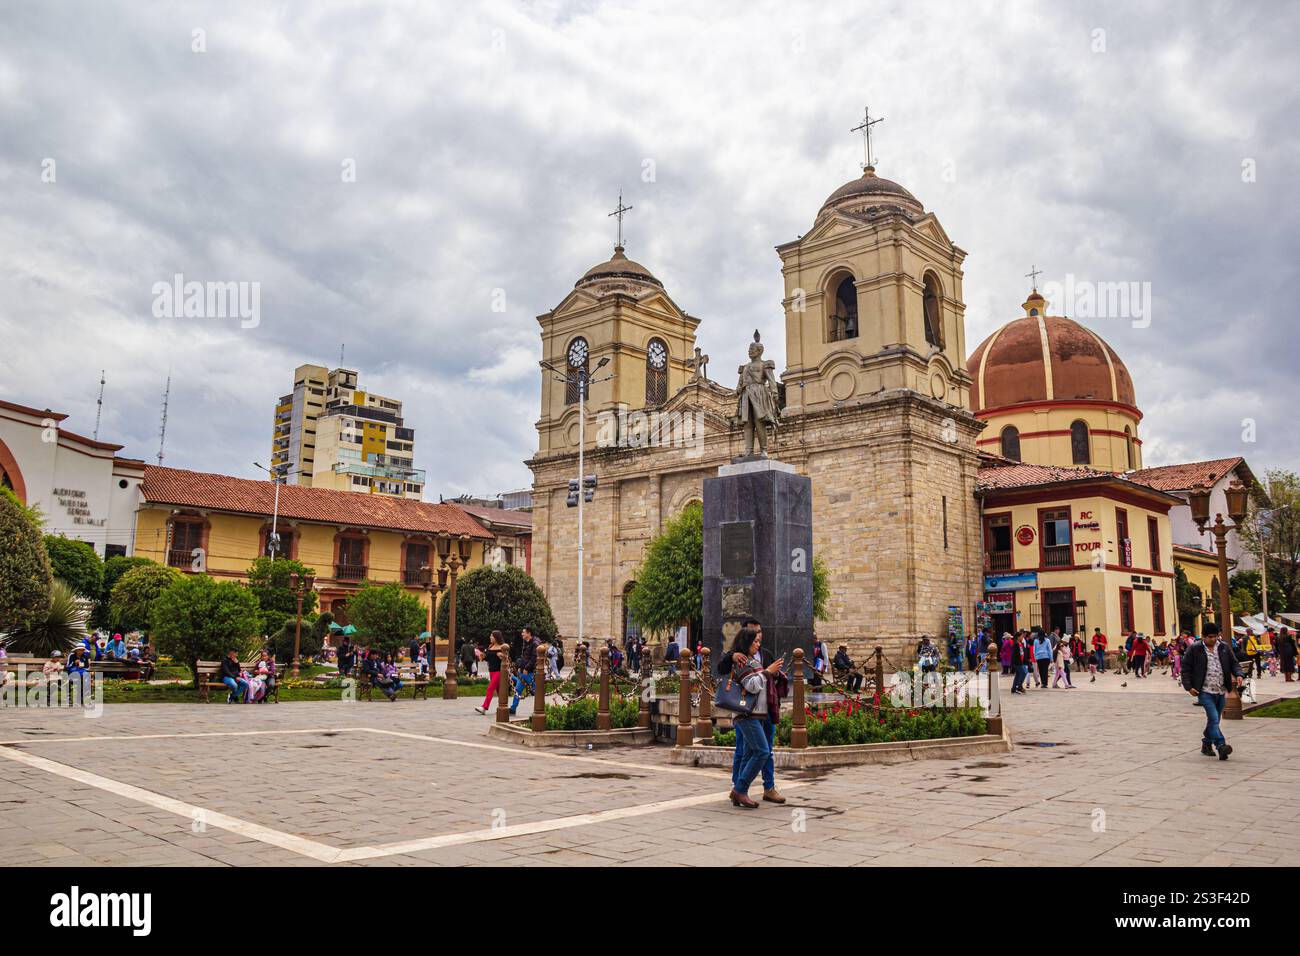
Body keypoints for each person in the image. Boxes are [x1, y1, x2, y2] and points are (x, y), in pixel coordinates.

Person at [722, 623, 786, 809]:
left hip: (759, 713)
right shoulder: (742, 662)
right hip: (747, 714)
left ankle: (740, 791)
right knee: (762, 751)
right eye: (755, 641)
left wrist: (775, 674)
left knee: (752, 752)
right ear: (746, 642)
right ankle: (740, 790)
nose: (758, 645)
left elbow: (763, 681)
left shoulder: (755, 661)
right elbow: (751, 685)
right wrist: (768, 672)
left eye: (759, 641)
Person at [1180, 623, 1243, 760]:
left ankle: (1206, 743)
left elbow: (1234, 663)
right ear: (1203, 637)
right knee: (1214, 718)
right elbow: (1185, 668)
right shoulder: (1195, 649)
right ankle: (1221, 745)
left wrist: (1238, 674)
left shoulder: (1223, 647)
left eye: (1216, 636)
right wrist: (1189, 686)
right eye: (1210, 637)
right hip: (1204, 690)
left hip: (1221, 689)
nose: (1214, 639)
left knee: (1214, 720)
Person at [475, 631, 510, 715]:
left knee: (490, 688)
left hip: (499, 671)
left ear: (496, 637)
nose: (490, 637)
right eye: (490, 636)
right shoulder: (491, 646)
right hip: (492, 671)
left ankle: (484, 707)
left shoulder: (503, 646)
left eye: (492, 636)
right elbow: (488, 658)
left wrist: (502, 656)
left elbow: (508, 659)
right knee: (499, 690)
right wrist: (482, 656)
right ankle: (503, 707)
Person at [509, 626, 539, 715]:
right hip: (523, 671)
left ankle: (542, 708)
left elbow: (534, 658)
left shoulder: (534, 643)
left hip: (529, 672)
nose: (522, 634)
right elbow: (524, 656)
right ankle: (513, 708)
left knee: (536, 690)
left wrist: (526, 668)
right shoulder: (527, 642)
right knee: (518, 690)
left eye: (523, 632)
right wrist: (520, 666)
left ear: (529, 633)